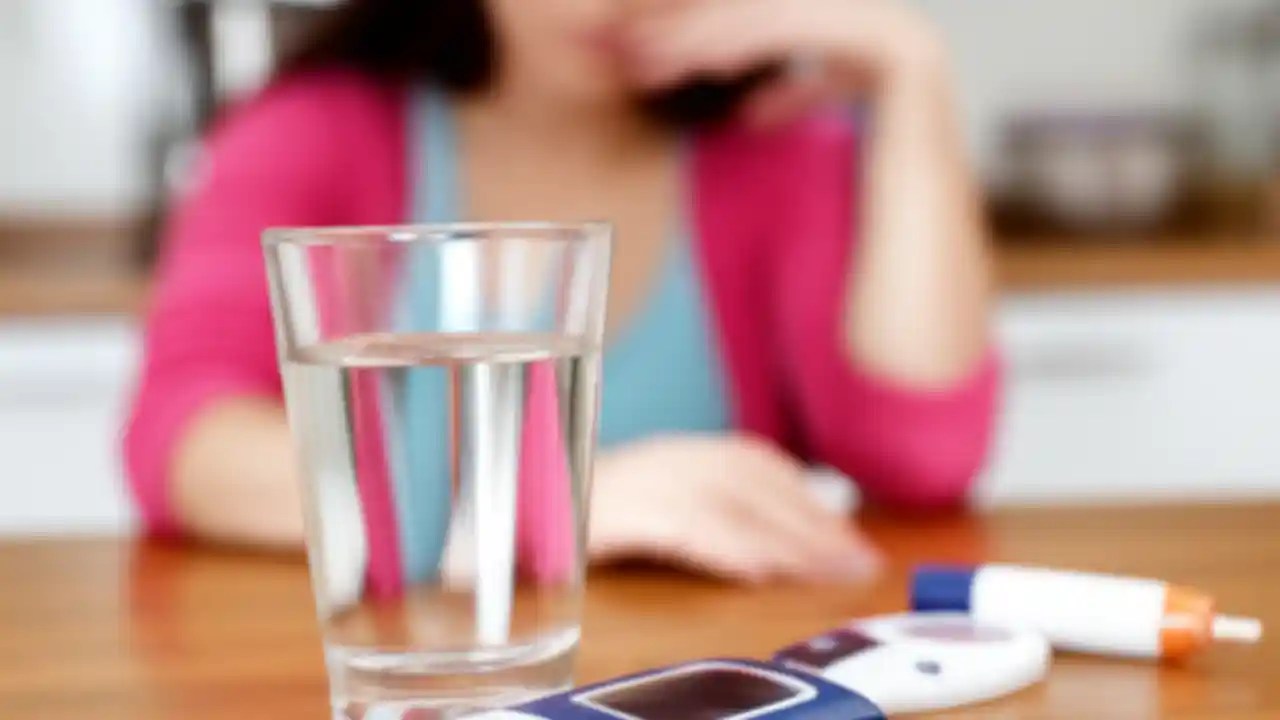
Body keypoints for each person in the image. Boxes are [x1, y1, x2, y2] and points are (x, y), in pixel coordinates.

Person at [125, 0, 998, 584]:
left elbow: (922, 455)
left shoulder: (774, 155)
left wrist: (911, 72)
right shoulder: (313, 134)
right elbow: (189, 440)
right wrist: (540, 502)